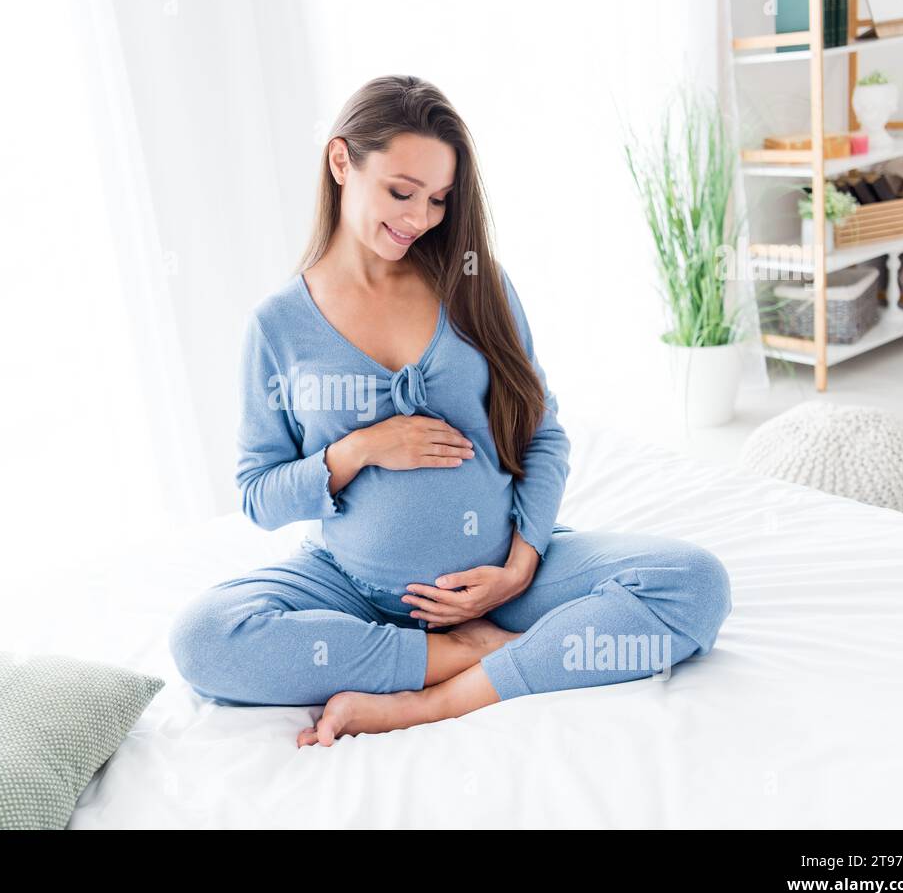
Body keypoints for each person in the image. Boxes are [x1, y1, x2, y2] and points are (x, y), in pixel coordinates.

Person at [169, 75, 732, 748]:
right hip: (352, 588)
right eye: (401, 192)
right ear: (342, 161)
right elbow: (259, 496)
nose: (419, 219)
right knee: (202, 639)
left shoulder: (475, 284)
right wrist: (360, 450)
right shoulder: (278, 326)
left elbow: (543, 432)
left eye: (438, 200)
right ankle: (464, 654)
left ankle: (432, 700)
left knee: (694, 585)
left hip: (500, 580)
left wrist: (519, 566)